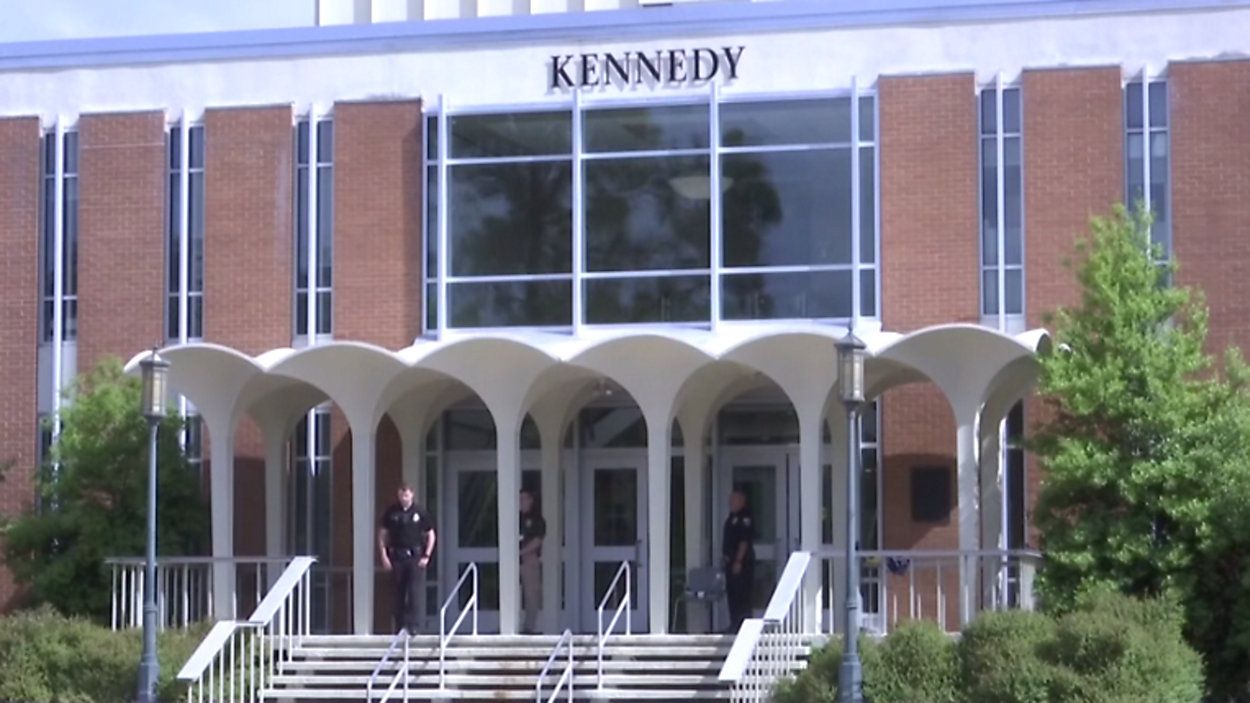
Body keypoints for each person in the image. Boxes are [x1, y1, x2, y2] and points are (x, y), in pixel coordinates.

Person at [378, 484, 436, 634]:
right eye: (401, 495)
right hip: (397, 557)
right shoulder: (392, 512)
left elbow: (431, 535)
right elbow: (382, 535)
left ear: (412, 495)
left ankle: (413, 626)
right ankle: (399, 626)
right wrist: (384, 555)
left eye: (406, 495)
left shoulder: (419, 512)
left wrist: (427, 555)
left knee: (414, 592)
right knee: (398, 593)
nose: (404, 498)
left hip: (414, 557)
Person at [722, 488, 756, 632]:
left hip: (742, 564)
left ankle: (744, 626)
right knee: (732, 595)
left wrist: (738, 561)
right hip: (731, 563)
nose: (730, 502)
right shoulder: (732, 517)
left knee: (742, 595)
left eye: (733, 500)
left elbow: (744, 541)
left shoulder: (745, 518)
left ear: (742, 501)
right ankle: (734, 624)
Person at [518, 488, 546, 634]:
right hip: (512, 562)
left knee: (531, 595)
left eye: (524, 498)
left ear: (531, 500)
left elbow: (537, 540)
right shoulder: (516, 518)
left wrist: (520, 552)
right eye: (519, 499)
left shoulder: (537, 520)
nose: (521, 502)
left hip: (529, 560)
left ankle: (529, 628)